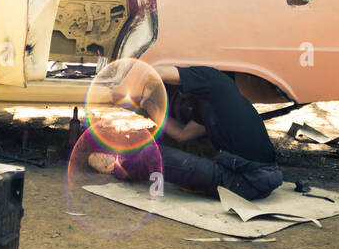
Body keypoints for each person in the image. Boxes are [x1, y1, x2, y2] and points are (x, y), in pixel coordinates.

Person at [87, 64, 283, 201]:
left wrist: (145, 88)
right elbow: (181, 133)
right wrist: (151, 106)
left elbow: (151, 73)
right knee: (175, 158)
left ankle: (118, 165)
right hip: (251, 177)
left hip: (248, 179)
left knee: (157, 155)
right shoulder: (212, 103)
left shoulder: (213, 80)